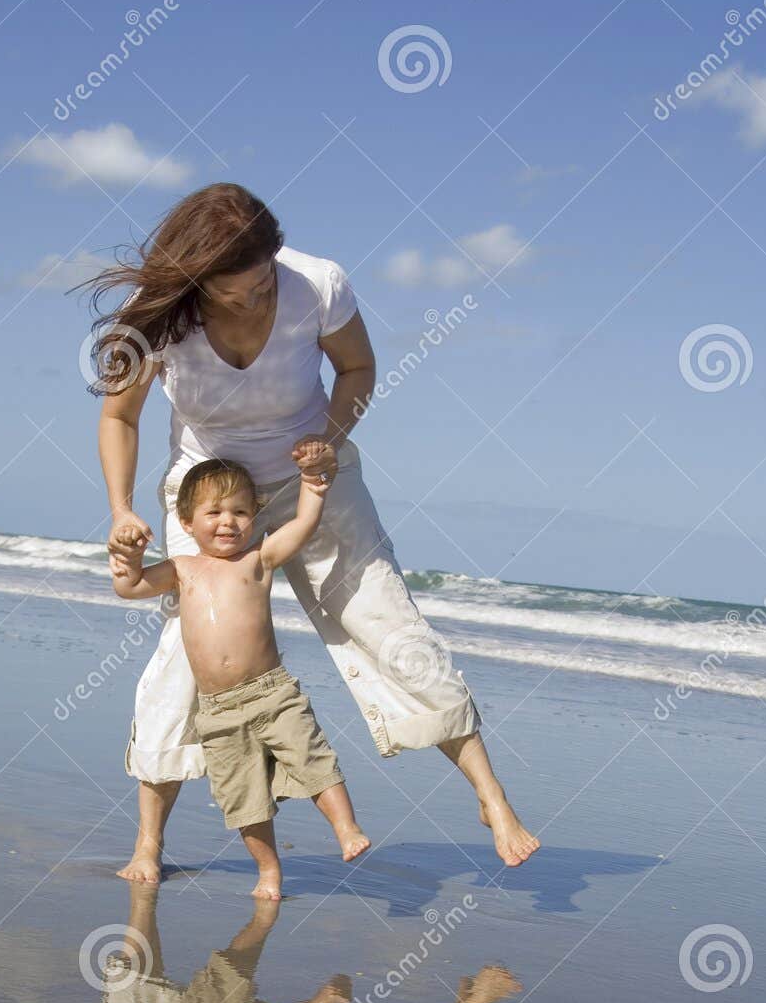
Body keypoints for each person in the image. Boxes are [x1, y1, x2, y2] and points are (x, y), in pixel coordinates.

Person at [83, 182, 540, 885]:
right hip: (210, 499)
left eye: (264, 277)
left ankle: (492, 799)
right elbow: (119, 418)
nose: (256, 295)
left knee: (389, 625)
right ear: (196, 278)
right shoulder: (160, 319)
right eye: (235, 291)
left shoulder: (316, 283)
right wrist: (120, 509)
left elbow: (357, 368)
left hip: (313, 477)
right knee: (184, 662)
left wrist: (326, 439)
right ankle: (148, 845)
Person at [110, 446, 370, 899]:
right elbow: (130, 588)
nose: (227, 522)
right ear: (187, 522)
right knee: (244, 800)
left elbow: (303, 526)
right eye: (213, 512)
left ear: (255, 516)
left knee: (315, 761)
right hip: (218, 710)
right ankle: (268, 871)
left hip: (273, 694)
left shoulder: (259, 560)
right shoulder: (182, 569)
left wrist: (312, 485)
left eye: (240, 511)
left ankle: (346, 828)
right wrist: (128, 560)